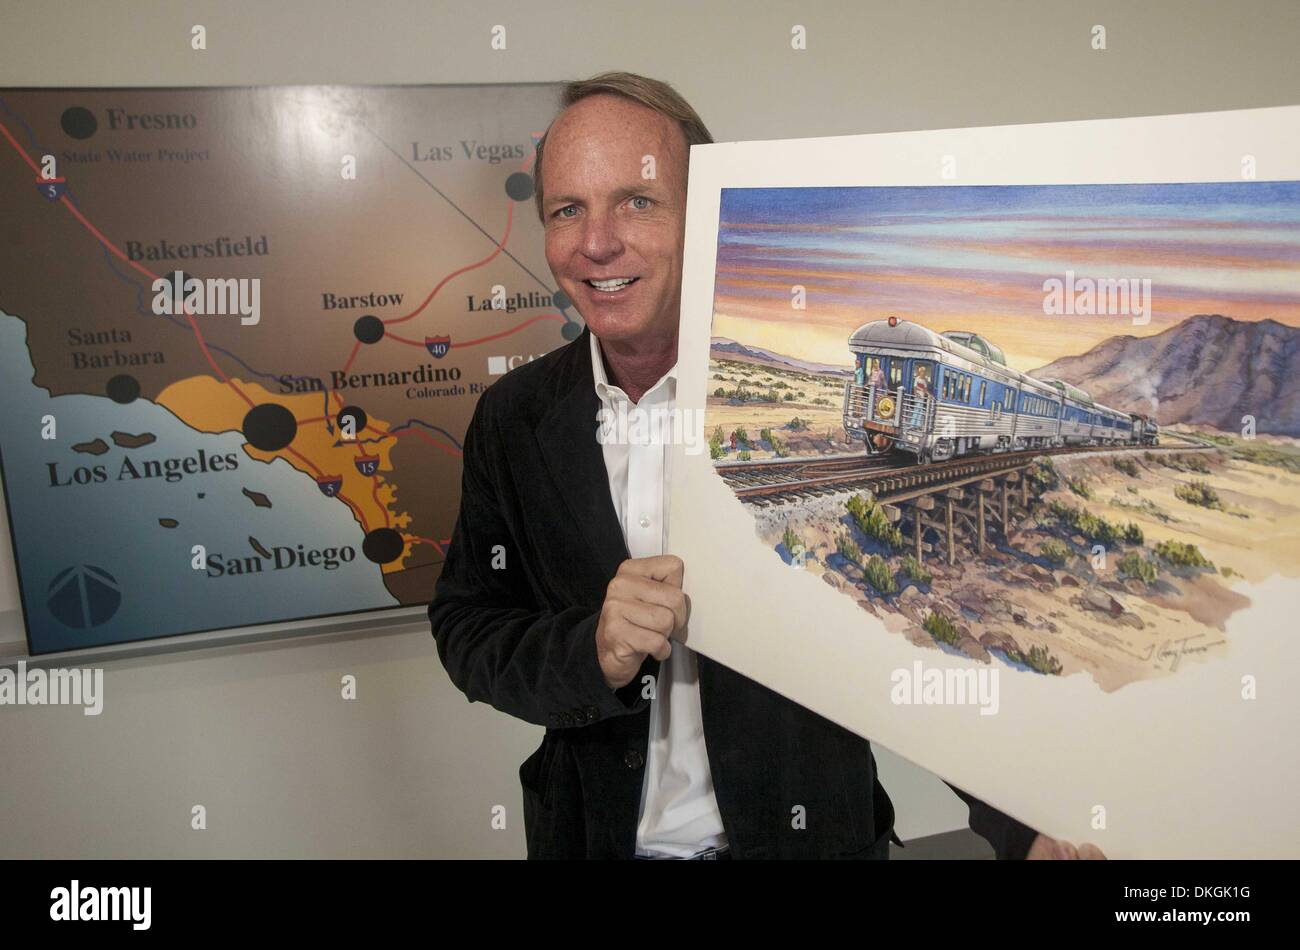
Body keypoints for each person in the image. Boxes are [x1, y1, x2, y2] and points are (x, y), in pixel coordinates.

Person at [429, 71, 1103, 861]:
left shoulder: (802, 426)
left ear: (706, 213)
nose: (597, 242)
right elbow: (469, 625)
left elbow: (903, 635)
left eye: (637, 201)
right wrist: (591, 652)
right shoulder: (513, 419)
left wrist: (1022, 824)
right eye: (566, 209)